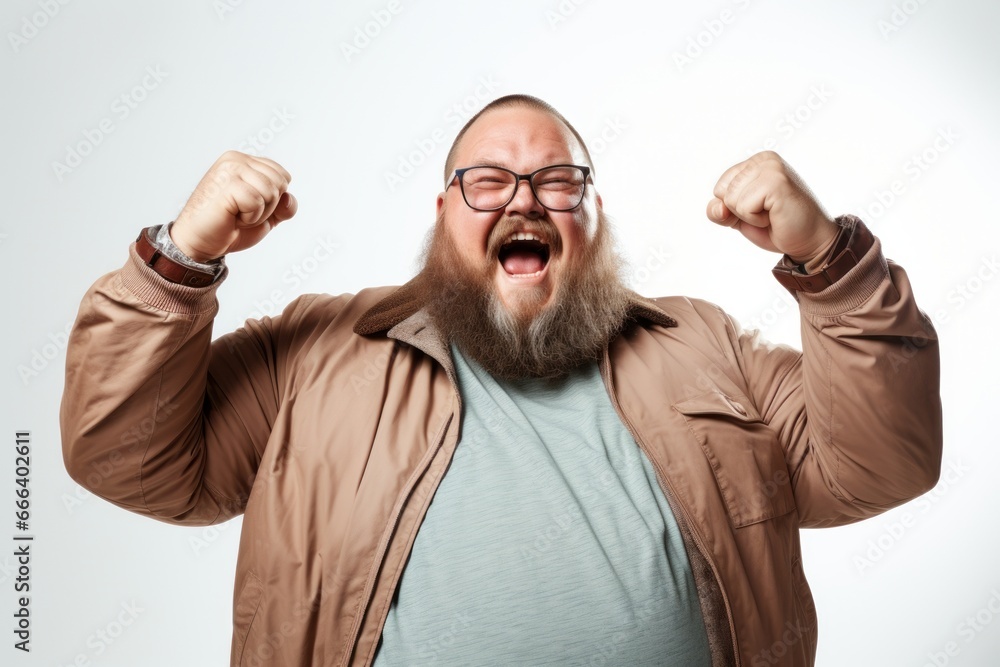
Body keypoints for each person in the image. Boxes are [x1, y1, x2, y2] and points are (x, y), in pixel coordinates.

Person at [61, 94, 942, 666]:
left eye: (558, 180)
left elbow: (882, 463)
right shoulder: (315, 350)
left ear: (595, 216)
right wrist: (181, 259)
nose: (523, 200)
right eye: (485, 181)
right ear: (443, 215)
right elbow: (125, 458)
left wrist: (830, 260)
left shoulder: (704, 344)